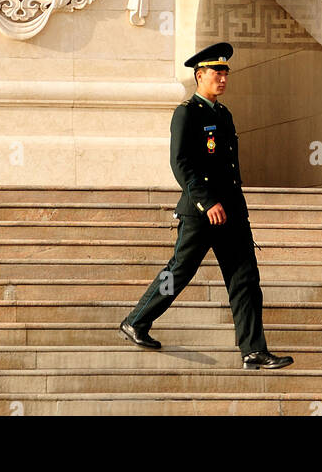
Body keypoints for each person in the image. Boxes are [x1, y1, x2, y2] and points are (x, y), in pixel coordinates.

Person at [120, 43, 293, 370]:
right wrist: (206, 201)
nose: (223, 78)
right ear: (200, 76)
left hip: (231, 212)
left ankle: (253, 350)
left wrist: (235, 207)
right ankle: (137, 321)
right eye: (217, 72)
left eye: (226, 72)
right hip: (201, 212)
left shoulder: (223, 115)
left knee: (245, 279)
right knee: (179, 271)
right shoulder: (187, 113)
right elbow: (181, 163)